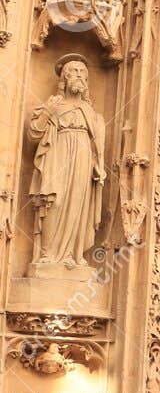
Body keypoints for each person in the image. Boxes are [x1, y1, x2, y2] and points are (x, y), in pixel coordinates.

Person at [27, 56, 106, 271]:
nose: (79, 75)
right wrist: (48, 113)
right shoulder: (53, 105)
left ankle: (73, 253)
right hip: (57, 155)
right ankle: (47, 255)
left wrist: (99, 166)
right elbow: (34, 133)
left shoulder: (90, 112)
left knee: (78, 204)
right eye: (74, 71)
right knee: (54, 201)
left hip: (82, 159)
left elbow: (96, 145)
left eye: (83, 71)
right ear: (64, 78)